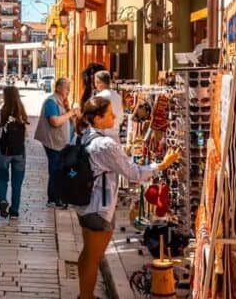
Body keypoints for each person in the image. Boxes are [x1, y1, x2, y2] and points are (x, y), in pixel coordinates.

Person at [74, 97, 180, 299]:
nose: (114, 116)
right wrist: (161, 166)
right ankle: (85, 297)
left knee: (88, 254)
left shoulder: (85, 136)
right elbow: (133, 173)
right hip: (99, 207)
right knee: (93, 257)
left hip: (86, 205)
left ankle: (85, 294)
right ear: (97, 118)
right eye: (109, 113)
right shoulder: (105, 144)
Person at [34, 78, 78, 208]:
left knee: (60, 169)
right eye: (66, 87)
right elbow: (54, 122)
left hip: (62, 142)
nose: (68, 90)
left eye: (70, 88)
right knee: (55, 169)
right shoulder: (51, 102)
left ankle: (58, 197)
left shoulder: (63, 102)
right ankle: (53, 198)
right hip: (53, 142)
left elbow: (69, 122)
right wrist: (70, 113)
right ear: (58, 87)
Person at [0, 86, 29, 219]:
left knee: (2, 177)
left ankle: (2, 200)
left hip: (3, 151)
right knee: (17, 183)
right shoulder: (21, 111)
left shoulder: (1, 111)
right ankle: (14, 210)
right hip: (19, 151)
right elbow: (26, 134)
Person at [93, 70, 123, 143]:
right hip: (115, 135)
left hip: (102, 137)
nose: (95, 85)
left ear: (100, 82)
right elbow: (121, 118)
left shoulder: (99, 97)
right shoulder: (118, 97)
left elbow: (95, 119)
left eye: (96, 82)